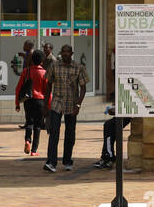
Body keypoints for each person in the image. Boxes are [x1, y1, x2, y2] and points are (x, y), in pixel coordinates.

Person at [43, 44, 87, 172]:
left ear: (72, 53)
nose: (66, 54)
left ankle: (67, 160)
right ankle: (51, 162)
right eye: (63, 52)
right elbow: (48, 85)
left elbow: (83, 88)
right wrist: (46, 105)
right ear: (61, 53)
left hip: (71, 105)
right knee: (54, 132)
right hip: (57, 103)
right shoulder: (54, 66)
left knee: (70, 133)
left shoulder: (78, 67)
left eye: (68, 52)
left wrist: (78, 104)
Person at [15, 48, 47, 155]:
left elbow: (18, 88)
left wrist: (17, 103)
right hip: (40, 101)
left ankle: (27, 140)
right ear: (42, 61)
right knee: (38, 126)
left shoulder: (26, 71)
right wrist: (49, 105)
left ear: (32, 60)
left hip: (28, 100)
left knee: (29, 122)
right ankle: (34, 150)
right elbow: (47, 91)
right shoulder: (44, 73)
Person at [95, 97, 131, 169]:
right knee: (109, 130)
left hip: (125, 115)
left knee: (109, 128)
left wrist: (114, 109)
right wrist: (112, 108)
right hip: (119, 116)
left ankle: (109, 157)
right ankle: (106, 156)